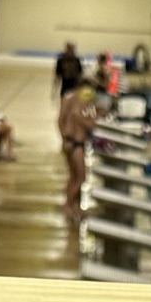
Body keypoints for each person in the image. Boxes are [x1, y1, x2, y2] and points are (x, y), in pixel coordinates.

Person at [59, 83, 97, 226]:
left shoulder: (70, 101)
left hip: (70, 142)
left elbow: (63, 119)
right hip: (76, 145)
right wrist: (93, 121)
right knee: (81, 177)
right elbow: (85, 122)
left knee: (73, 177)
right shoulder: (78, 105)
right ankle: (68, 205)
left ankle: (73, 206)